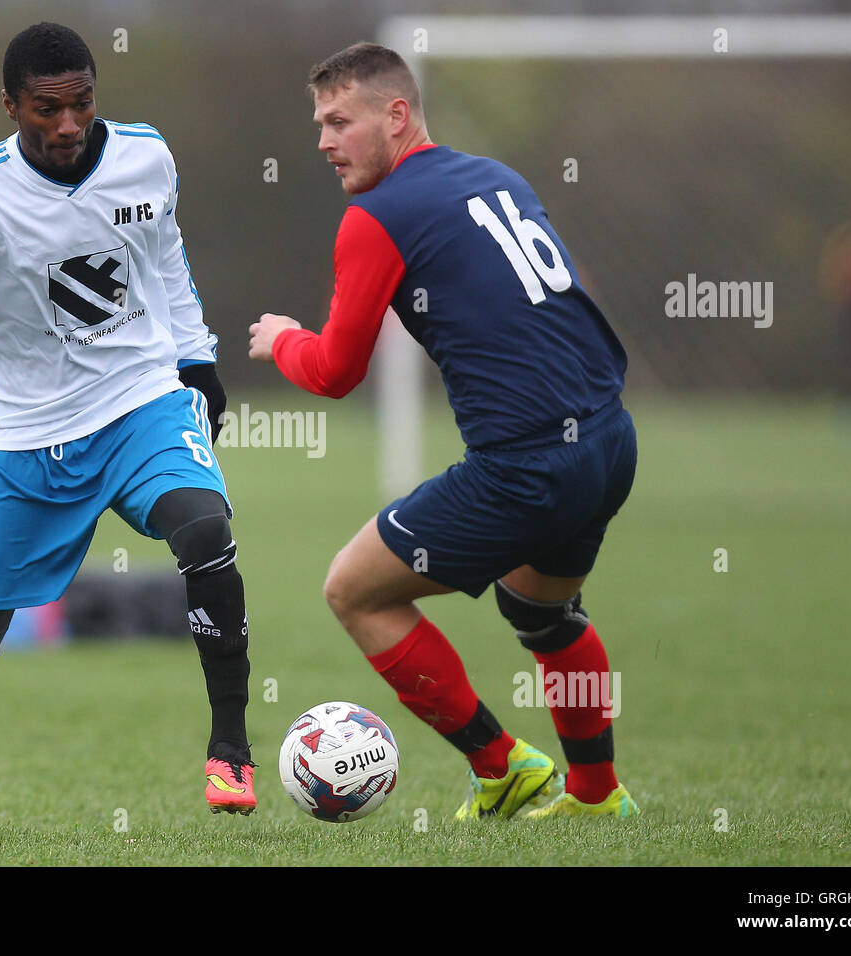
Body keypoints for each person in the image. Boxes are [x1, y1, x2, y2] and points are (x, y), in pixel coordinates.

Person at [0, 22, 254, 843]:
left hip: (139, 401)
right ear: (11, 105)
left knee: (204, 525)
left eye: (82, 104)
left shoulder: (147, 157)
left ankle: (231, 748)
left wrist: (195, 358)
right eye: (46, 110)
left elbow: (164, 256)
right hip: (26, 435)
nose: (67, 125)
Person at [250, 42, 638, 820]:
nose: (323, 141)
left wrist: (282, 337)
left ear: (397, 116)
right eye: (319, 124)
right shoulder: (497, 176)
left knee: (354, 591)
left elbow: (335, 370)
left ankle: (504, 770)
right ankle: (597, 795)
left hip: (527, 466)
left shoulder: (376, 217)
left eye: (339, 121)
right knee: (542, 612)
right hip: (608, 442)